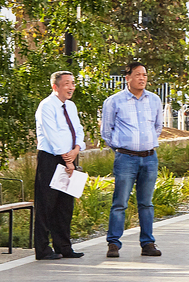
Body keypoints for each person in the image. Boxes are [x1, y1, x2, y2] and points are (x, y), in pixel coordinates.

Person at [101, 61, 164, 259]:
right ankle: (113, 243)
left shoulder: (154, 100)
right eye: (138, 74)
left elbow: (158, 127)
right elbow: (106, 131)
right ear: (127, 78)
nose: (142, 78)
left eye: (145, 75)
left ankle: (148, 243)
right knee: (120, 202)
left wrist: (145, 144)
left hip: (149, 157)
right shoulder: (114, 101)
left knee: (146, 203)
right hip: (126, 158)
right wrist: (122, 149)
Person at [33, 70, 86, 260]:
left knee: (65, 205)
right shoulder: (46, 106)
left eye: (72, 83)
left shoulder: (70, 106)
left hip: (70, 157)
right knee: (46, 205)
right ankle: (43, 249)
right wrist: (68, 159)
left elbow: (78, 129)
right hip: (52, 158)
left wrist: (77, 149)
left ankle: (64, 247)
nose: (71, 87)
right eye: (66, 84)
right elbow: (52, 135)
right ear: (55, 87)